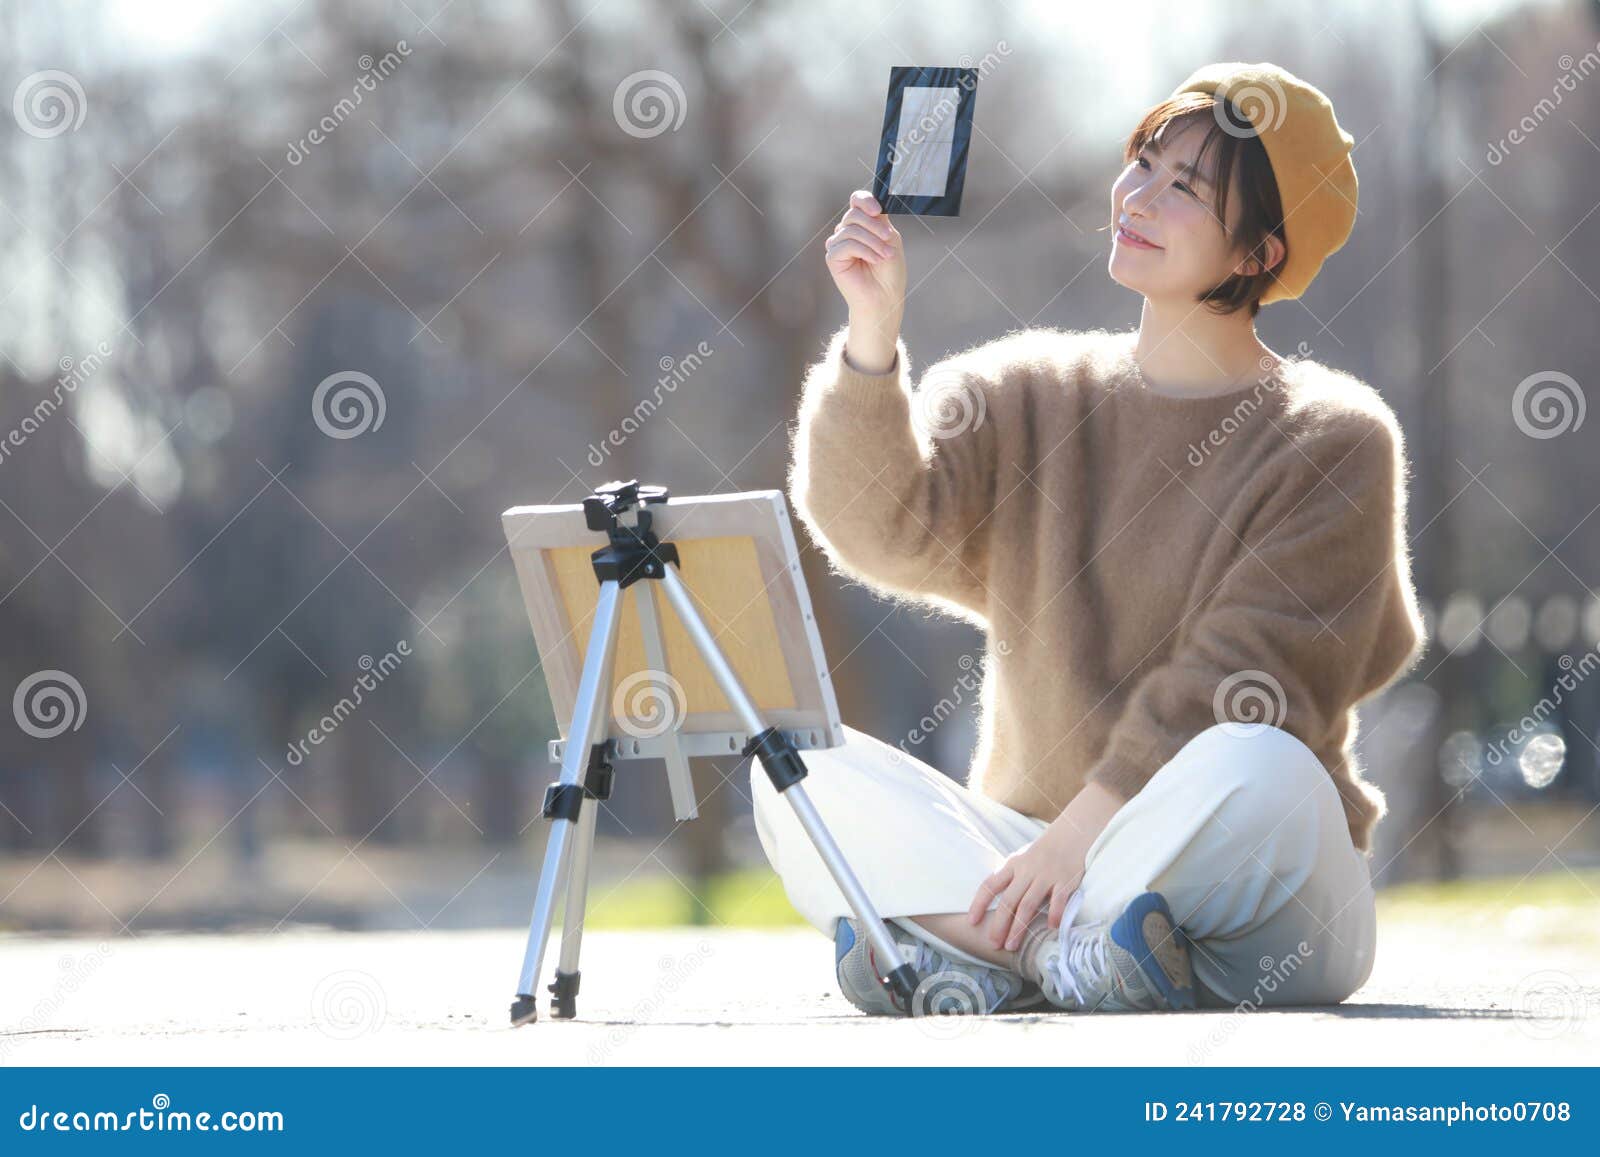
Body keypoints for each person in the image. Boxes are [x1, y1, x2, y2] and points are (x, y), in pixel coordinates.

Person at [751, 61, 1426, 1016]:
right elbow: (880, 528)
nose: (1138, 196)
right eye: (1142, 162)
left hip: (1249, 894)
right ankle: (1078, 960)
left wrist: (1081, 838)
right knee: (793, 765)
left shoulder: (1334, 437)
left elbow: (1253, 667)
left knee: (1261, 761)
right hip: (1027, 857)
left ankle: (966, 948)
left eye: (1184, 187)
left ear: (1257, 254)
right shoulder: (1033, 389)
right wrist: (873, 330)